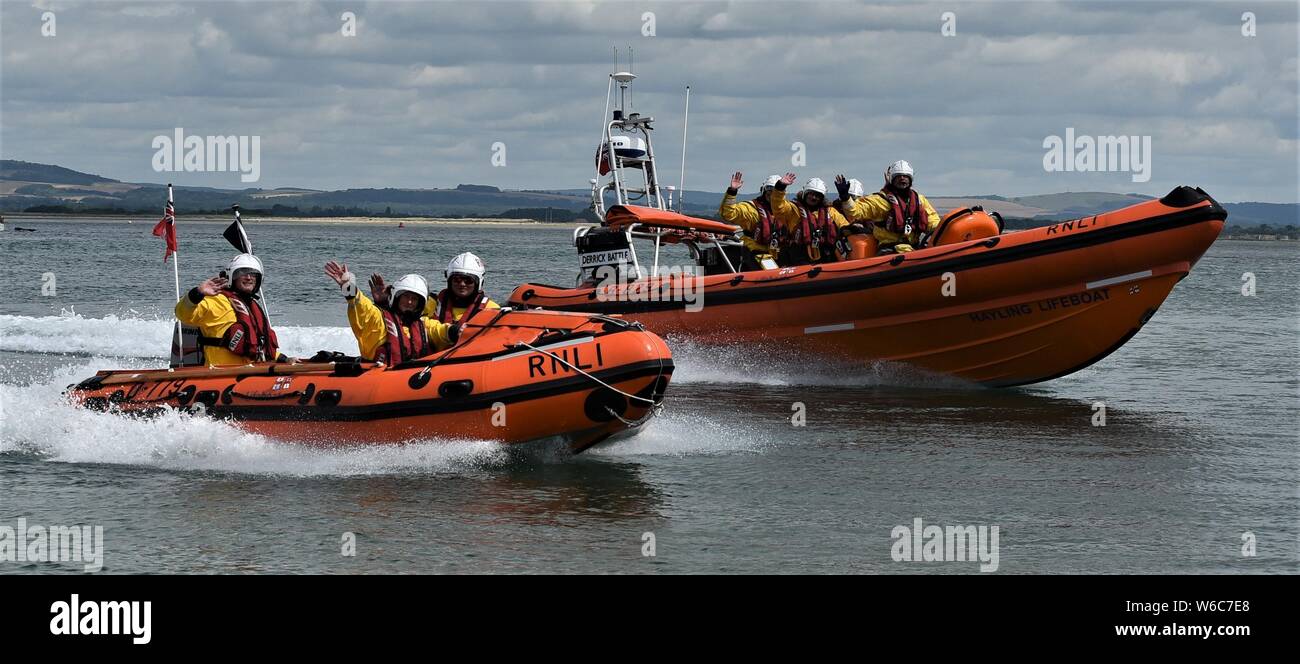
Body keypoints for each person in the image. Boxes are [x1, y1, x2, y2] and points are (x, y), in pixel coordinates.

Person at [324, 261, 456, 364]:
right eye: (406, 297)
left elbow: (442, 331)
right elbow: (359, 304)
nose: (410, 302)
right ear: (396, 297)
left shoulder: (424, 325)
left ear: (420, 304)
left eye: (414, 299)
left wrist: (458, 331)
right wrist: (347, 286)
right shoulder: (378, 320)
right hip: (378, 380)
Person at [174, 253, 289, 366]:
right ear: (231, 277)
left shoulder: (252, 306)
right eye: (242, 273)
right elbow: (183, 314)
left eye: (253, 274)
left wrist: (283, 358)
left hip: (252, 370)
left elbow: (258, 345)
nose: (249, 277)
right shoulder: (216, 301)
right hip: (222, 373)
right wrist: (197, 293)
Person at [837, 160, 940, 254]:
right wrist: (845, 197)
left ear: (911, 179)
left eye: (905, 176)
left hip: (914, 248)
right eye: (898, 176)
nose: (902, 178)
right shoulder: (880, 201)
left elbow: (933, 221)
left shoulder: (919, 200)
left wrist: (943, 229)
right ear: (892, 179)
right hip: (889, 250)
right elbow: (856, 211)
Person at [768, 173, 852, 265]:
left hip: (826, 258)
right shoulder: (794, 210)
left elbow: (845, 226)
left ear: (822, 198)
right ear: (805, 193)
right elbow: (778, 207)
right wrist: (780, 187)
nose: (813, 197)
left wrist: (854, 228)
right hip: (799, 258)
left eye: (817, 195)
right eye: (811, 194)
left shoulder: (830, 212)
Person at [718, 172, 783, 269]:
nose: (772, 194)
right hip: (757, 252)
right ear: (764, 191)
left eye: (776, 191)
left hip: (778, 252)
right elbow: (728, 213)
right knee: (771, 270)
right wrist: (732, 191)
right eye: (769, 190)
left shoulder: (785, 210)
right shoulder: (751, 209)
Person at [426, 252, 500, 323]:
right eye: (457, 280)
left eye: (468, 280)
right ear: (449, 281)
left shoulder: (492, 309)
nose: (462, 284)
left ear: (479, 283)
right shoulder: (432, 304)